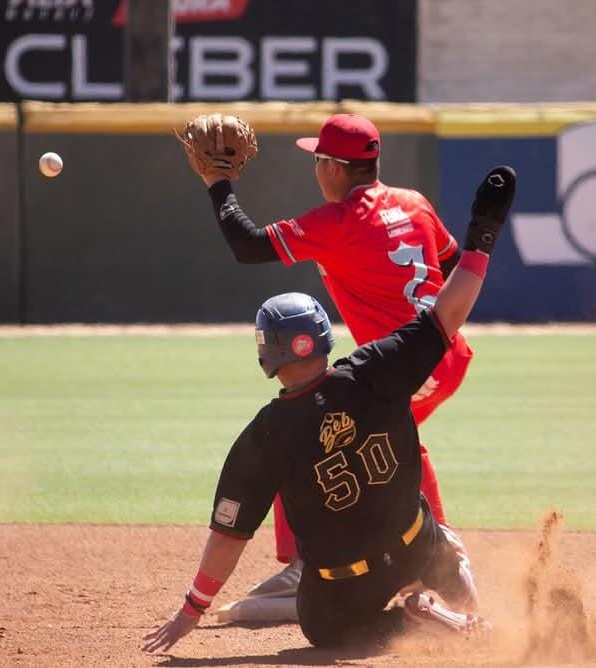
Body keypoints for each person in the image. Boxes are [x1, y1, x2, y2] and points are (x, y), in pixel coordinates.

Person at [143, 166, 515, 653]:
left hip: (344, 586)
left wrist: (192, 608)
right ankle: (455, 601)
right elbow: (451, 307)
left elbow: (228, 537)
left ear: (267, 357)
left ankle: (412, 622)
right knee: (434, 538)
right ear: (323, 336)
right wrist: (483, 231)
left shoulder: (267, 434)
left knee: (323, 629)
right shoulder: (378, 366)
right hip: (414, 549)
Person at [200, 113, 479, 605]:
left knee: (302, 432)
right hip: (447, 353)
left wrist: (218, 183)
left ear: (332, 167)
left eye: (317, 161)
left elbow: (246, 246)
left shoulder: (338, 223)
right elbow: (456, 264)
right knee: (392, 440)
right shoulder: (414, 203)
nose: (315, 170)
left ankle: (317, 569)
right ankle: (440, 557)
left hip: (409, 369)